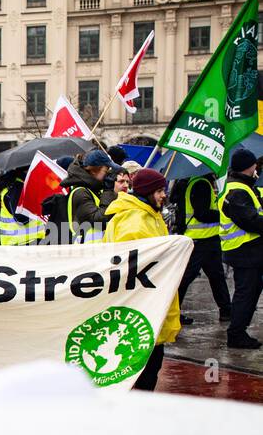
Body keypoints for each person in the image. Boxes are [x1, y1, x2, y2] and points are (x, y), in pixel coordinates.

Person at [104, 168, 179, 390]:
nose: (164, 195)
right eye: (158, 191)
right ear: (146, 192)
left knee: (148, 368)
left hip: (145, 307)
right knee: (143, 371)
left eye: (163, 190)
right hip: (141, 308)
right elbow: (135, 269)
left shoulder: (149, 214)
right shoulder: (135, 222)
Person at [219, 147, 263, 348]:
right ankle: (236, 334)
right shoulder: (238, 190)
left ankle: (238, 331)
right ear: (249, 167)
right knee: (246, 293)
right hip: (245, 251)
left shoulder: (242, 186)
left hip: (247, 251)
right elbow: (250, 220)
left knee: (249, 292)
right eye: (254, 164)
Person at [174, 172, 231, 325]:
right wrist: (223, 214)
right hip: (201, 240)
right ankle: (171, 312)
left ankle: (226, 310)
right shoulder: (202, 184)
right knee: (187, 278)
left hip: (204, 239)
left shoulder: (190, 181)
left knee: (216, 277)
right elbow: (202, 214)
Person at [61, 149, 116, 244]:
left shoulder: (94, 189)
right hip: (88, 250)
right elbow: (98, 220)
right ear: (94, 170)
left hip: (97, 248)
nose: (108, 174)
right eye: (106, 170)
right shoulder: (81, 192)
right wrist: (108, 191)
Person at [0, 167, 46, 246]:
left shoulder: (18, 186)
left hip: (23, 242)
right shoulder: (18, 189)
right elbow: (21, 218)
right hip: (23, 244)